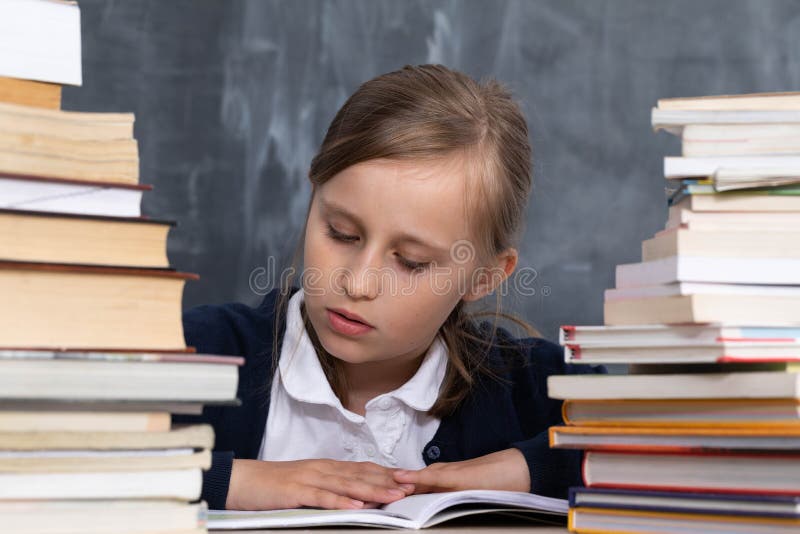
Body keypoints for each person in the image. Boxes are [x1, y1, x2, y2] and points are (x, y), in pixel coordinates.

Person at [175, 64, 605, 512]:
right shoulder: (197, 351)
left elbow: (647, 431)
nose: (357, 283)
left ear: (483, 277)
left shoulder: (527, 389)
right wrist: (232, 480)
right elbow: (116, 460)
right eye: (341, 233)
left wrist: (522, 469)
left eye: (411, 261)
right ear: (313, 196)